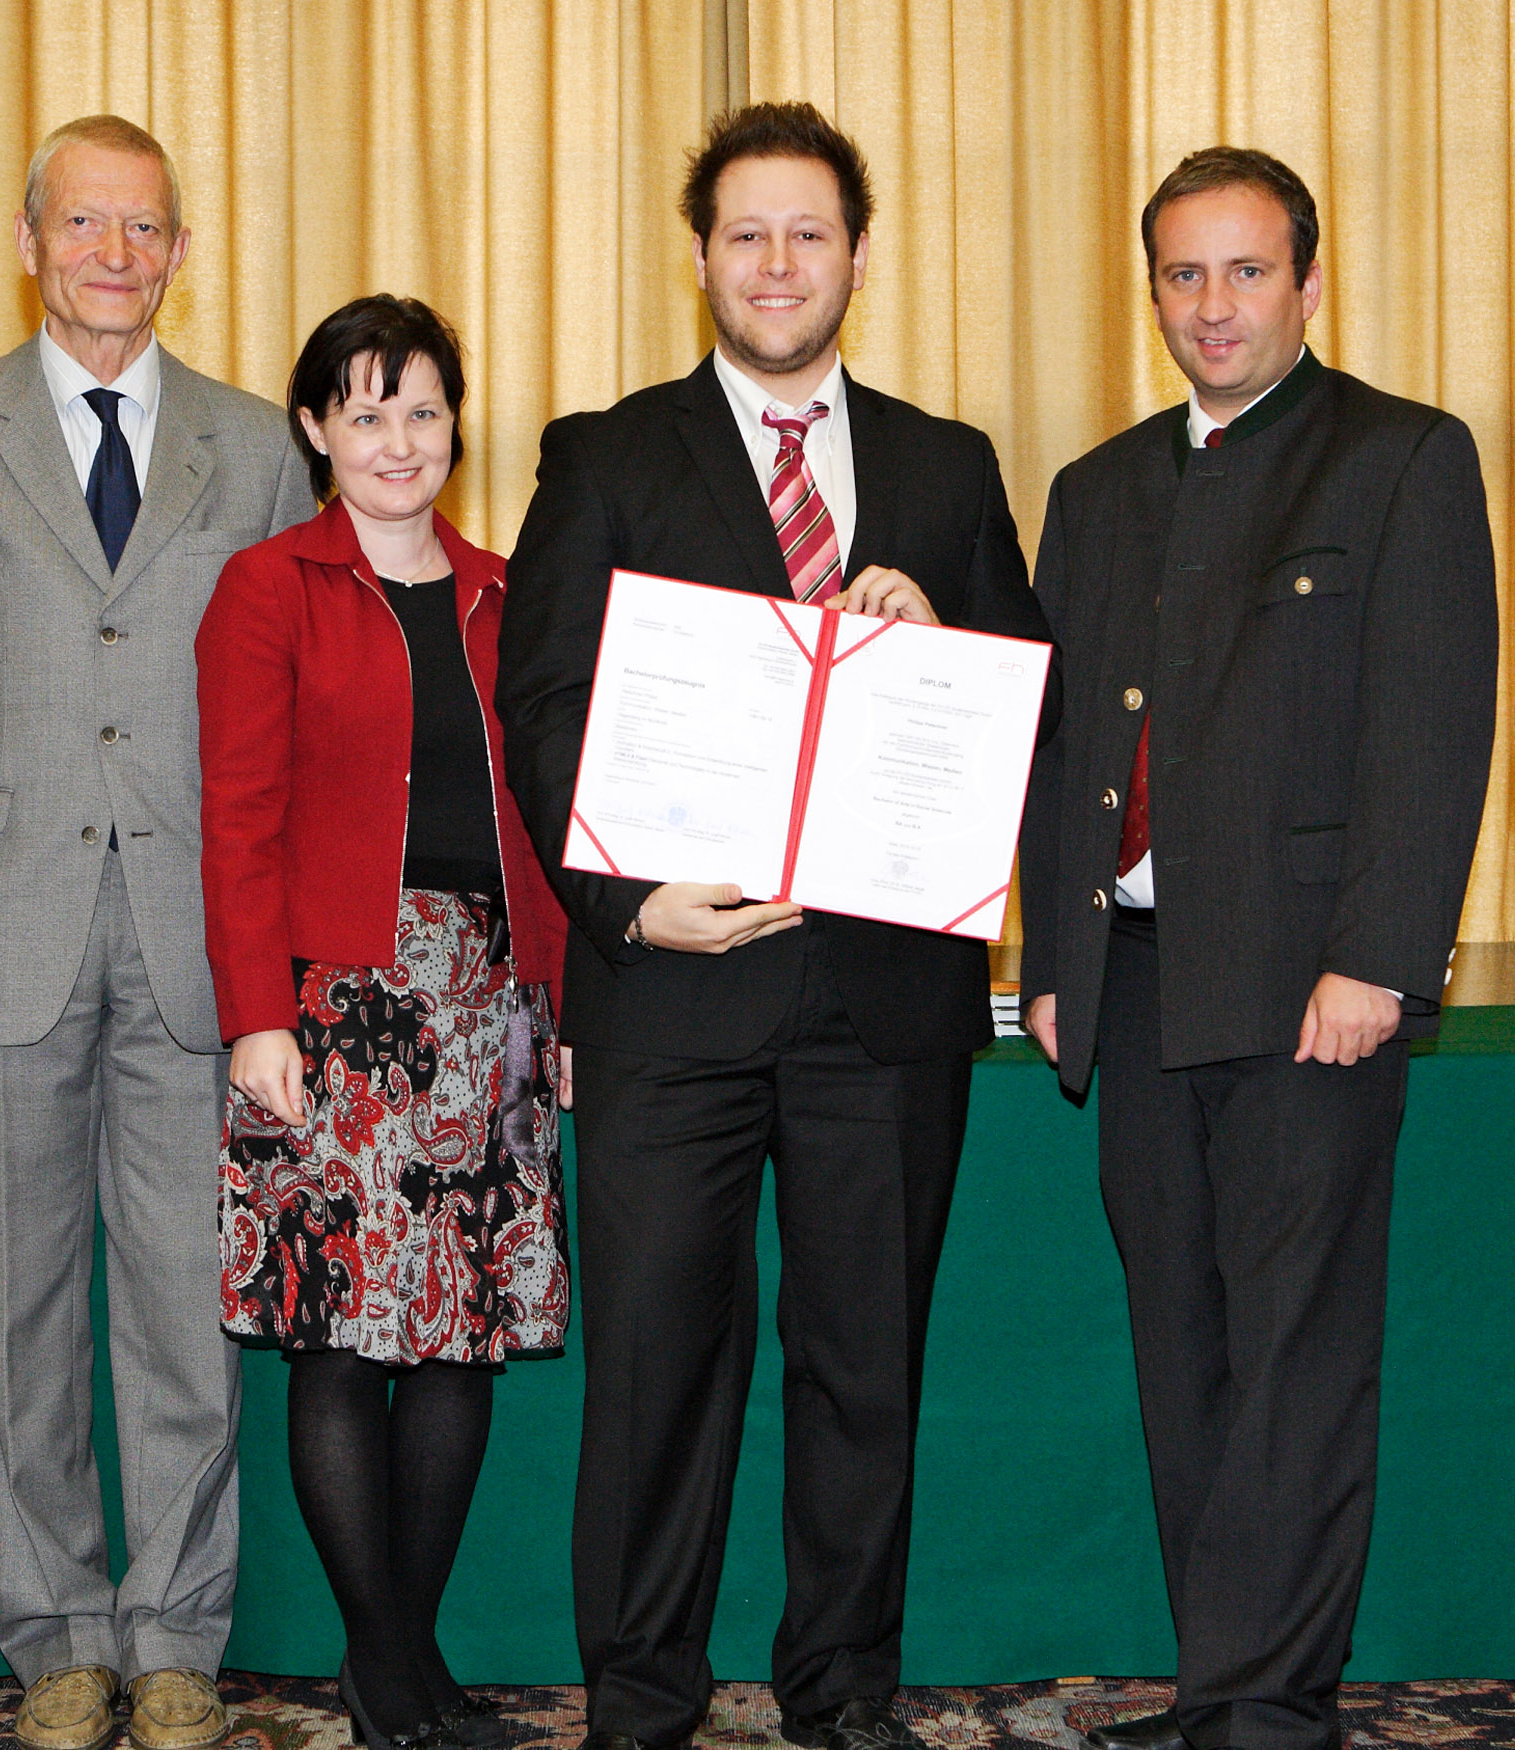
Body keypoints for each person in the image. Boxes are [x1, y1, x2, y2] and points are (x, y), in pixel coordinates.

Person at [496, 102, 1051, 1750]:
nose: (777, 262)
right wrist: (623, 904)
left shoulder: (948, 464)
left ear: (857, 257)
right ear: (699, 259)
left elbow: (1030, 694)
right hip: (672, 995)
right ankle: (642, 1691)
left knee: (860, 1370)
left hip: (885, 1007)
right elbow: (542, 703)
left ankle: (842, 1685)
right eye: (746, 233)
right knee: (657, 1377)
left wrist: (939, 630)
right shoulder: (603, 452)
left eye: (809, 232)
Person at [1017, 147, 1496, 1750]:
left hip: (1309, 994)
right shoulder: (1096, 490)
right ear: (1151, 289)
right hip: (1134, 981)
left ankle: (1270, 1707)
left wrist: (1378, 959)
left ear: (1307, 281)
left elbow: (1431, 737)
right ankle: (1223, 1680)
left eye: (1243, 272)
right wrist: (1041, 949)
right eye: (1181, 275)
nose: (1211, 306)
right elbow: (1053, 737)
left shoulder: (1400, 458)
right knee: (1185, 1351)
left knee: (1296, 1362)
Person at [0, 114, 313, 1750]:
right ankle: (55, 1630)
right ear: (29, 238)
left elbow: (283, 708)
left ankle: (177, 1631)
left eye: (145, 229)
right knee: (20, 1305)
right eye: (84, 225)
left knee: (190, 1301)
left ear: (182, 252)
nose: (113, 256)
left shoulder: (254, 447)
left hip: (198, 937)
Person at [196, 294, 570, 1750]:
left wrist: (561, 997)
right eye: (364, 412)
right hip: (335, 1007)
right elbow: (235, 820)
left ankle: (399, 1657)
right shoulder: (266, 588)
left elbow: (549, 814)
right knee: (345, 1341)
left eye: (420, 409)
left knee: (462, 1335)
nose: (397, 441)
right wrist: (253, 1015)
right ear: (315, 430)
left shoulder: (507, 588)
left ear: (455, 422)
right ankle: (389, 1660)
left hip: (489, 1003)